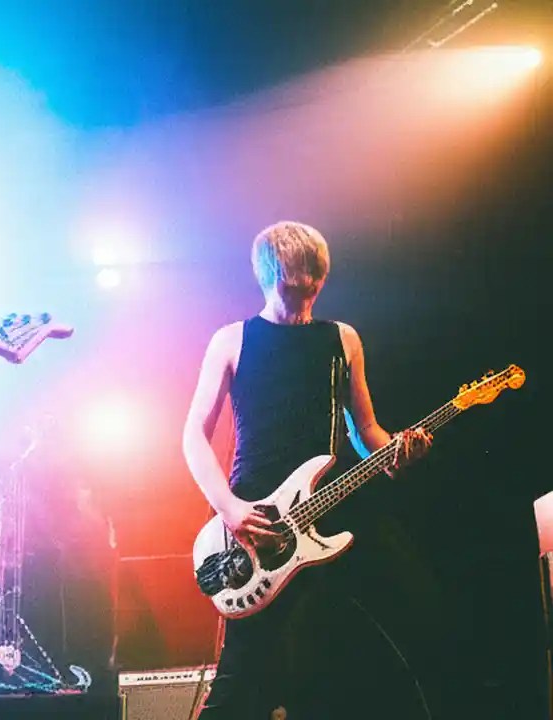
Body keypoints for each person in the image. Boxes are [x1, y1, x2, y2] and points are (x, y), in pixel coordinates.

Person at [181, 221, 445, 719]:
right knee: (242, 679)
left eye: (314, 286)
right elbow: (193, 434)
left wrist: (396, 456)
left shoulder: (342, 339)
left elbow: (367, 431)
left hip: (333, 509)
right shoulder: (231, 341)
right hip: (259, 523)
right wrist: (230, 508)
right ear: (267, 278)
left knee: (342, 657)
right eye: (292, 287)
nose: (305, 298)